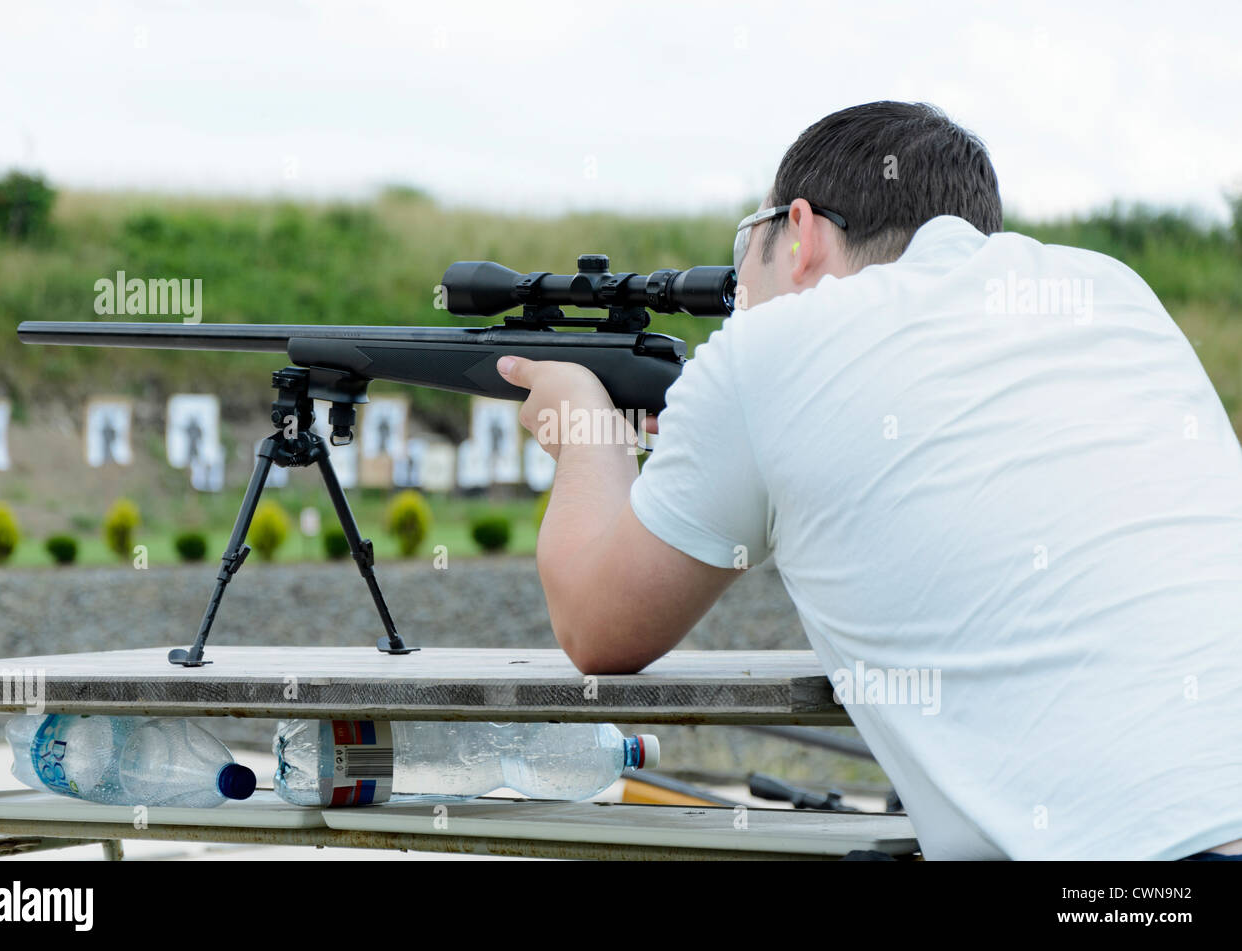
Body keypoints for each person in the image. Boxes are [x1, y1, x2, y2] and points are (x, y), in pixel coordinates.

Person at [494, 101, 1242, 861]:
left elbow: (597, 628)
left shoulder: (768, 349)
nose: (736, 297)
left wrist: (583, 431)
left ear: (801, 232)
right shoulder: (1111, 291)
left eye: (744, 252)